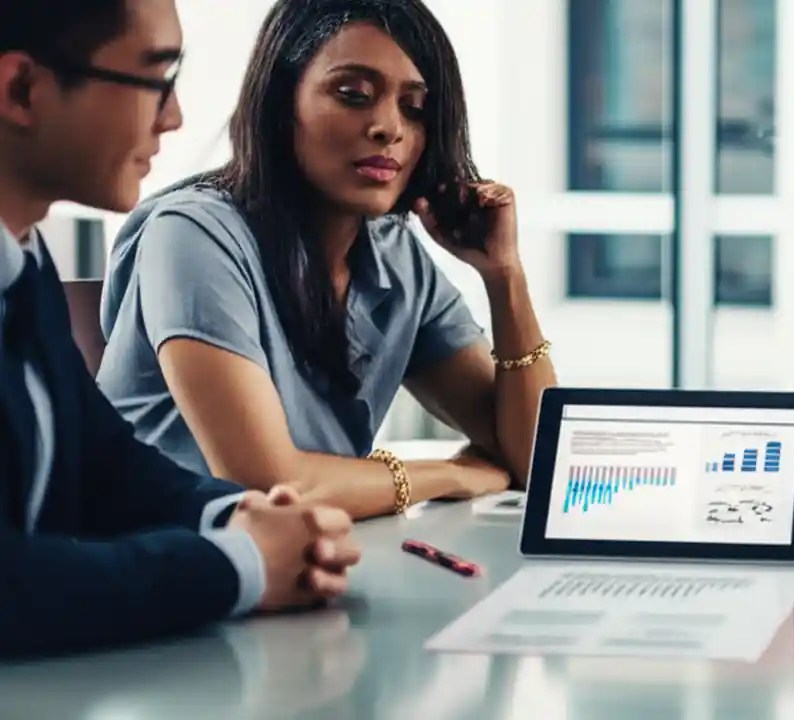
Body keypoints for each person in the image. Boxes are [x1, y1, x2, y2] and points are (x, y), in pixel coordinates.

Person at [97, 0, 557, 520]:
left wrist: (505, 276)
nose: (388, 127)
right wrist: (451, 475)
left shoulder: (393, 256)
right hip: (159, 571)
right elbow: (269, 485)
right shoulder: (192, 235)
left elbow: (540, 453)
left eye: (415, 108)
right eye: (354, 95)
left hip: (302, 571)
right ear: (279, 102)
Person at [0, 0, 360, 657]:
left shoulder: (20, 256)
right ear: (21, 90)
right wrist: (241, 566)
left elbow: (100, 459)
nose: (174, 117)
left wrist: (232, 514)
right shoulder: (189, 230)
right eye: (155, 80)